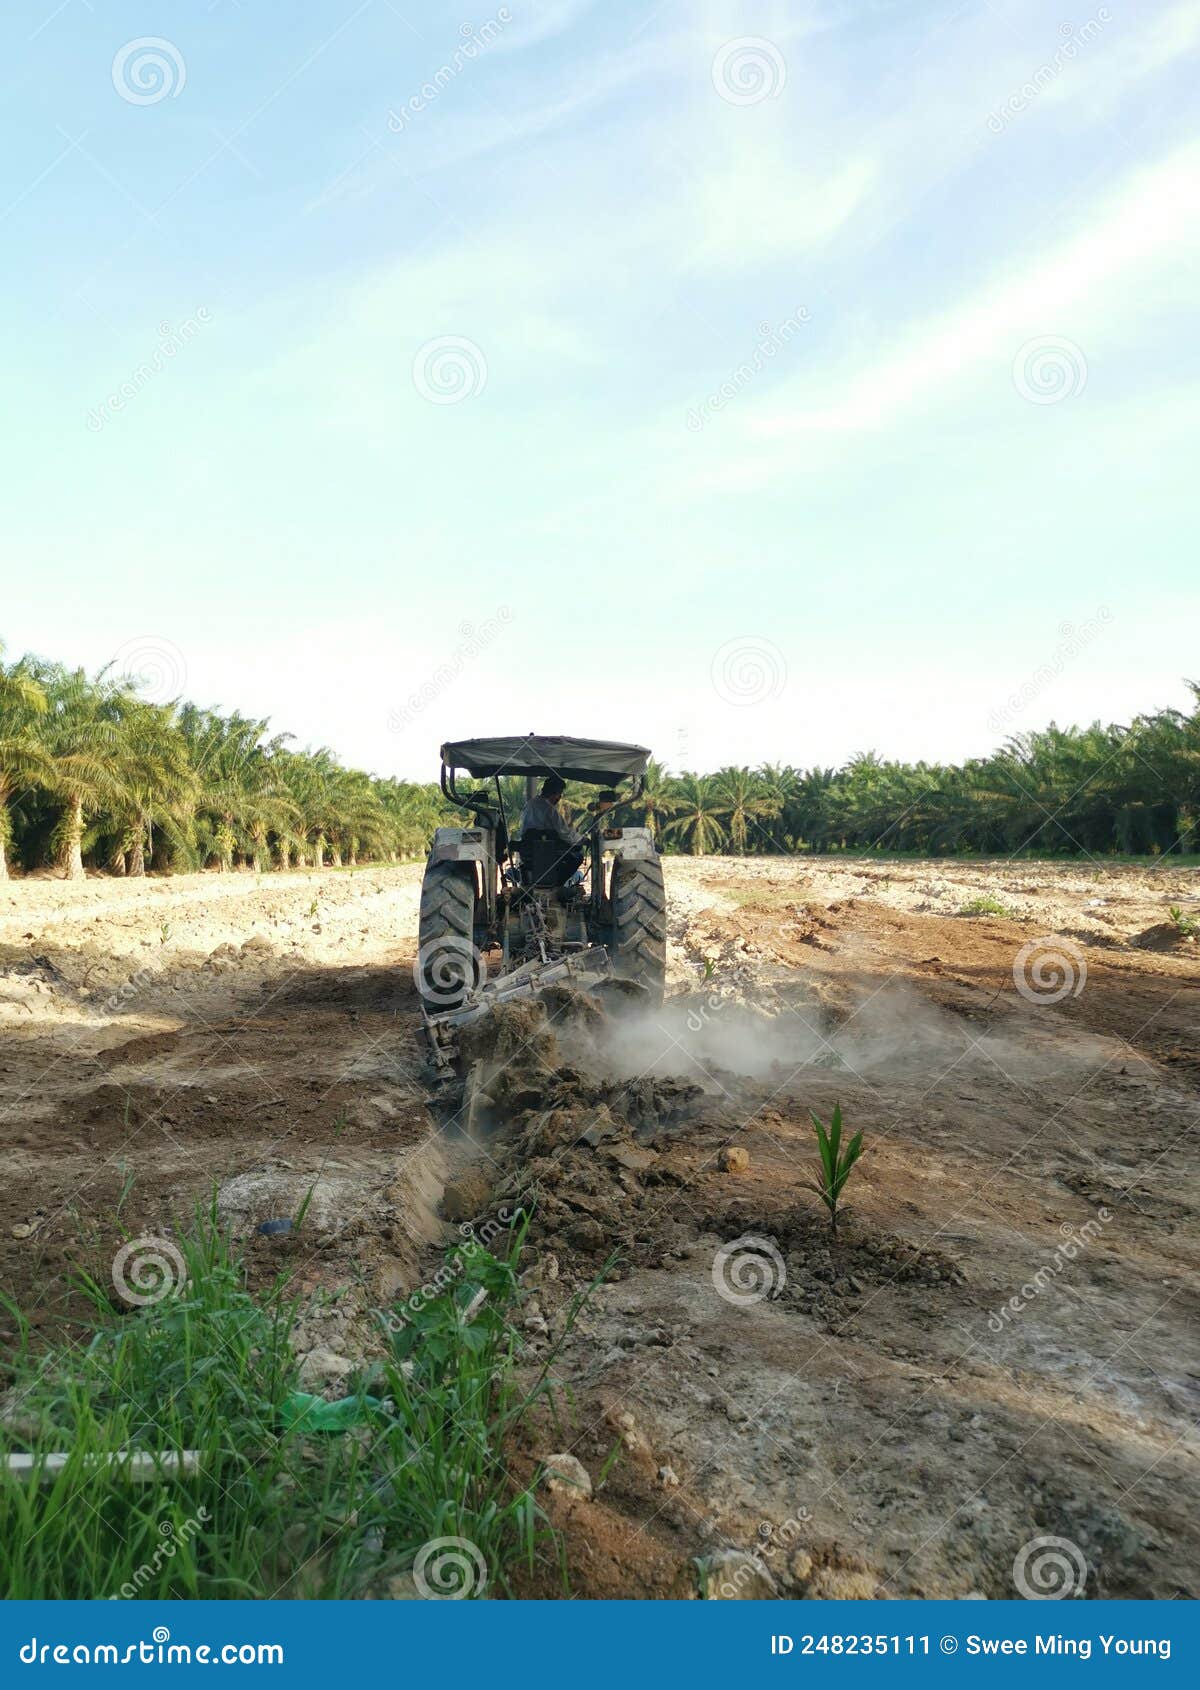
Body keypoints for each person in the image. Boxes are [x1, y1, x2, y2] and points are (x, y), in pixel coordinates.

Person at [519, 774, 584, 880]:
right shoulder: (550, 810)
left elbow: (522, 831)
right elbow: (565, 833)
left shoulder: (529, 804)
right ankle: (557, 885)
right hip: (547, 855)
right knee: (577, 857)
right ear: (554, 793)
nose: (559, 798)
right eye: (559, 794)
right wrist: (581, 840)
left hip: (528, 854)